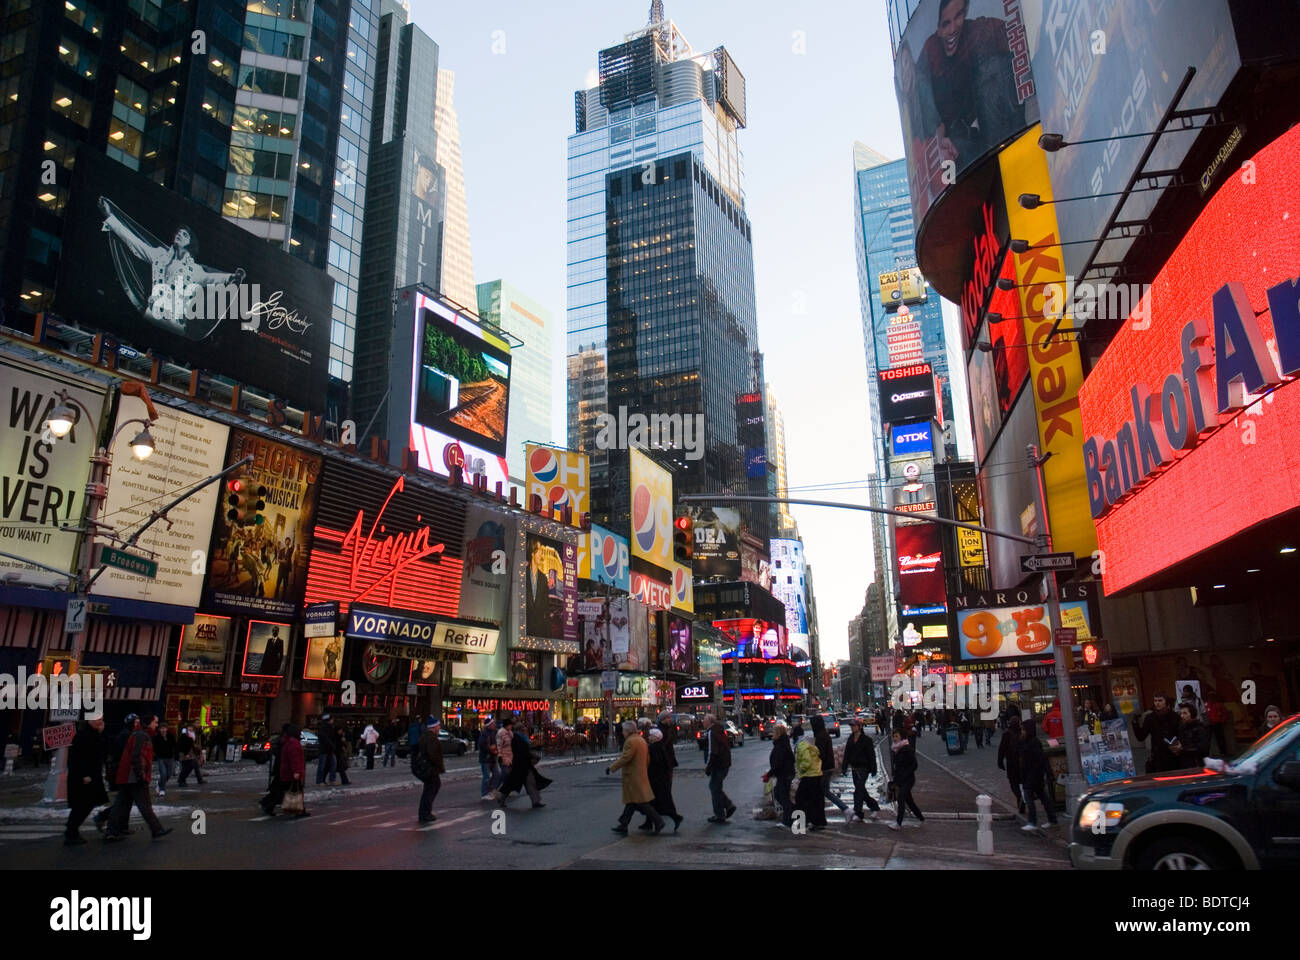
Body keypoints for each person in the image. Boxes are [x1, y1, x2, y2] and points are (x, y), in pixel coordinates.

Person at [105, 715, 172, 841]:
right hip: (133, 776)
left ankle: (111, 831)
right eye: (155, 722)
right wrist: (140, 774)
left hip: (128, 776)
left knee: (121, 804)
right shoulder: (142, 736)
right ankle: (156, 829)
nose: (157, 725)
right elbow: (137, 756)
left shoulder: (140, 734)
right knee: (144, 804)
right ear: (149, 723)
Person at [606, 720, 663, 834]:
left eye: (623, 730)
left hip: (633, 776)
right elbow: (647, 758)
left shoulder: (630, 741)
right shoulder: (641, 740)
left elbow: (625, 758)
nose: (622, 733)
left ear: (627, 731)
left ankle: (658, 821)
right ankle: (623, 823)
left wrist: (612, 767)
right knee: (632, 802)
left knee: (640, 802)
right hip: (640, 773)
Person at [64, 716, 109, 845]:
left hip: (93, 776)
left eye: (101, 719)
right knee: (82, 805)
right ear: (89, 721)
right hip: (83, 777)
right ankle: (71, 832)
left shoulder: (96, 735)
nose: (99, 721)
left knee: (88, 804)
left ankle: (72, 829)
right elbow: (75, 758)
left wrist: (101, 733)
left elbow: (103, 751)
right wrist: (83, 775)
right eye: (96, 719)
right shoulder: (82, 736)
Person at [1017, 719, 1057, 831]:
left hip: (1033, 774)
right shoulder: (1026, 741)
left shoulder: (1033, 742)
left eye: (1023, 729)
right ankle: (1052, 820)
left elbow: (1040, 759)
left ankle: (1033, 821)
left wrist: (1046, 773)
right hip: (1031, 774)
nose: (1022, 732)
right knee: (1043, 797)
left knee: (1030, 798)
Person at [842, 718, 881, 821]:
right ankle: (874, 807)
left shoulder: (866, 740)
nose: (852, 728)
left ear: (859, 727)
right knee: (861, 790)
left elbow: (871, 755)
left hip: (864, 768)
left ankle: (858, 813)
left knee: (858, 789)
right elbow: (847, 754)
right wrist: (844, 767)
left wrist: (873, 769)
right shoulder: (850, 739)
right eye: (851, 726)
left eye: (854, 726)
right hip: (854, 768)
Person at [1131, 693, 1181, 773]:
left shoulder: (1175, 716)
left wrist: (1180, 745)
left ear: (1166, 702)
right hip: (1157, 757)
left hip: (1173, 755)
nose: (1157, 703)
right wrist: (1135, 724)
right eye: (1155, 701)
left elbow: (1181, 734)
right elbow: (1141, 737)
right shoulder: (1150, 717)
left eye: (1160, 700)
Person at [644, 728, 682, 831]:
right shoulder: (659, 746)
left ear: (655, 737)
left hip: (657, 779)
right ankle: (648, 823)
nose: (648, 737)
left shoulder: (654, 748)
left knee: (659, 802)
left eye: (650, 735)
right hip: (660, 778)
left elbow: (656, 763)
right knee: (653, 802)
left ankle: (675, 817)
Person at [812, 715, 848, 820]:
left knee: (822, 792)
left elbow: (821, 754)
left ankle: (844, 809)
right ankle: (844, 808)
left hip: (823, 768)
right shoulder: (824, 734)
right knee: (824, 791)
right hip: (828, 766)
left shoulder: (820, 737)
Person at [702, 715, 735, 824]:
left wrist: (707, 767)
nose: (703, 722)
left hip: (718, 764)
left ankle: (721, 813)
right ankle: (726, 807)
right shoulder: (719, 730)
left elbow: (712, 751)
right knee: (715, 787)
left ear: (710, 722)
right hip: (723, 763)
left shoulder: (712, 732)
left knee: (714, 788)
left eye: (705, 720)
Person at [764, 721, 796, 827]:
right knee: (779, 794)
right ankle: (791, 814)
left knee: (782, 797)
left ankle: (788, 820)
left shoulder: (780, 745)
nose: (772, 734)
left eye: (774, 732)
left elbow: (778, 763)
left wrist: (769, 774)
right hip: (786, 773)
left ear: (778, 733)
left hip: (784, 774)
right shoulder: (783, 743)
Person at [413, 718, 446, 823]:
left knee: (430, 789)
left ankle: (424, 813)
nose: (439, 728)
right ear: (434, 727)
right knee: (431, 789)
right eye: (438, 726)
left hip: (426, 768)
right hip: (430, 768)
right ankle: (425, 814)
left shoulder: (425, 736)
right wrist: (439, 765)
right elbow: (433, 755)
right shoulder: (431, 738)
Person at [794, 730, 827, 830]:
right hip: (817, 774)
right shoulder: (811, 745)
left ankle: (804, 821)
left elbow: (806, 761)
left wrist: (800, 769)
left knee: (800, 798)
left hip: (808, 775)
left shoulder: (801, 746)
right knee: (817, 799)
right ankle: (819, 821)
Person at [278, 724, 309, 819]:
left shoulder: (288, 742)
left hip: (287, 771)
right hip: (292, 772)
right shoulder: (294, 743)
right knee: (297, 790)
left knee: (292, 790)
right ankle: (298, 809)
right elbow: (295, 759)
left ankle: (296, 809)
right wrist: (297, 771)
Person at [260, 724, 292, 816]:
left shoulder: (281, 739)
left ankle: (268, 803)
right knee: (280, 789)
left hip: (280, 767)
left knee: (279, 788)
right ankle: (268, 803)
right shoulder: (284, 741)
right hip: (282, 767)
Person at [996, 714, 1025, 814]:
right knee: (1021, 781)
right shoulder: (1023, 733)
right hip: (1022, 763)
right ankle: (1022, 799)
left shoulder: (1006, 734)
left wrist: (1000, 762)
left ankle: (1020, 798)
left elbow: (1001, 749)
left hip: (1011, 762)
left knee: (1014, 783)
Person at [1171, 703, 1209, 769]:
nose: (1182, 716)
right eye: (1181, 713)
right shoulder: (1181, 728)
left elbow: (1202, 748)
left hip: (1197, 763)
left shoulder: (1199, 728)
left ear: (1192, 714)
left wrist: (1182, 749)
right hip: (1185, 764)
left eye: (1185, 713)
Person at [478, 717, 502, 800]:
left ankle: (491, 790)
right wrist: (491, 750)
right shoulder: (484, 734)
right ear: (489, 725)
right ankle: (484, 793)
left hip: (493, 758)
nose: (494, 725)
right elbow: (481, 745)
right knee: (486, 776)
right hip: (486, 758)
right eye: (492, 724)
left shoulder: (494, 733)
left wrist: (496, 750)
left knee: (497, 774)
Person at [152, 722, 177, 799]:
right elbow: (154, 747)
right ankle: (162, 790)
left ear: (167, 728)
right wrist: (156, 754)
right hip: (161, 758)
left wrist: (176, 756)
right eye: (161, 728)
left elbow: (175, 745)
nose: (163, 730)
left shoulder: (170, 736)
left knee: (169, 774)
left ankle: (159, 784)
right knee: (163, 774)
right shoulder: (156, 737)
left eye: (164, 728)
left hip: (170, 758)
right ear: (159, 729)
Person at [335, 719, 353, 785]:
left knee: (339, 768)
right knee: (339, 768)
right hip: (337, 753)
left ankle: (344, 780)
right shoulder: (337, 737)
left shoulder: (339, 736)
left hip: (339, 753)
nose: (341, 731)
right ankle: (343, 781)